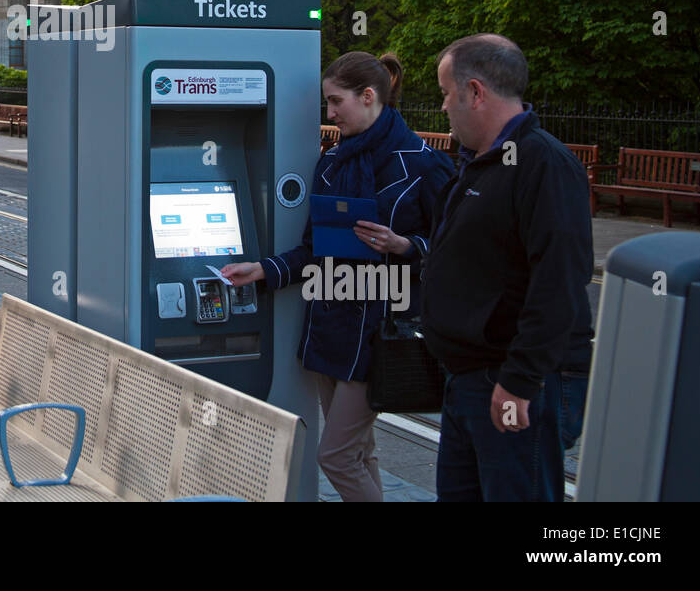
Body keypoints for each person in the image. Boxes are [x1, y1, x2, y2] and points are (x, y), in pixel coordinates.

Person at [222, 51, 454, 502]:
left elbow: (455, 252)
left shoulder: (425, 166)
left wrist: (405, 246)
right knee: (360, 451)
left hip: (382, 332)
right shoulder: (331, 163)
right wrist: (263, 270)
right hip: (330, 325)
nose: (329, 115)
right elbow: (314, 249)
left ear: (368, 97)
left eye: (335, 102)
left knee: (336, 456)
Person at [420, 34, 594, 502]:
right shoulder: (481, 164)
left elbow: (559, 283)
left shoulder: (544, 165)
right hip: (469, 379)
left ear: (475, 92)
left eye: (446, 93)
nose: (443, 108)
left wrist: (518, 381)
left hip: (511, 382)